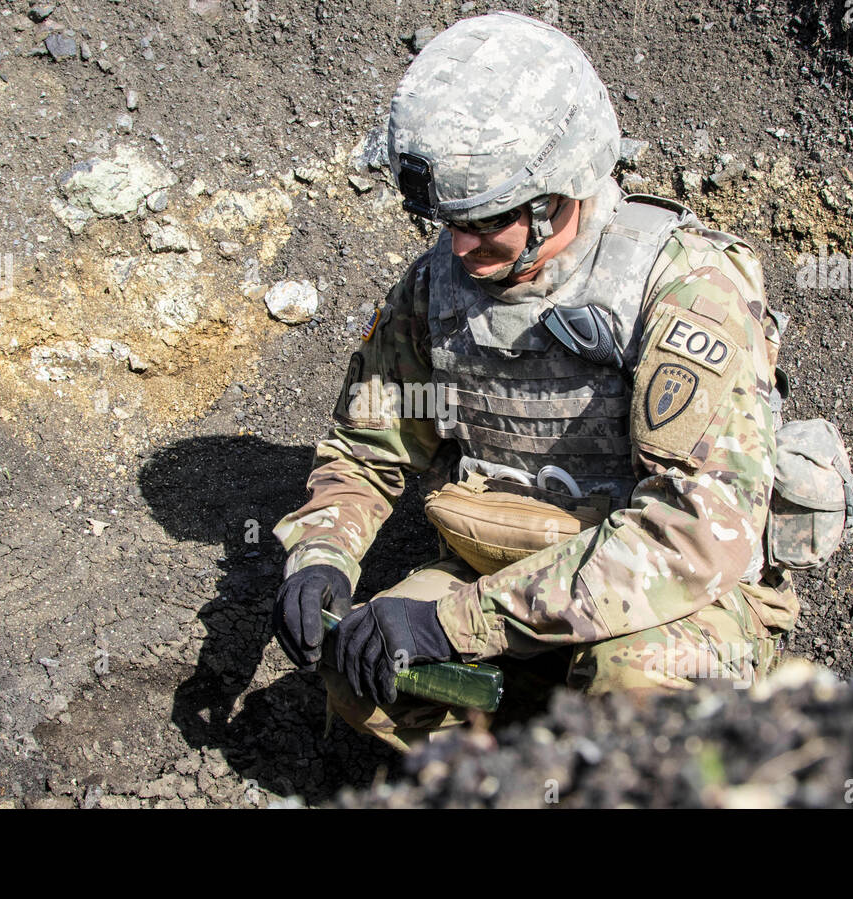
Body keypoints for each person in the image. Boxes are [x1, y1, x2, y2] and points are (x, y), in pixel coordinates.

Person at [271, 11, 799, 752]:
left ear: (559, 191)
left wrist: (455, 622)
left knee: (642, 704)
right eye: (446, 220)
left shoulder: (683, 287)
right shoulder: (439, 287)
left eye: (485, 220)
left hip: (663, 595)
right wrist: (321, 554)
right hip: (505, 567)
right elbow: (370, 447)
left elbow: (693, 535)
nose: (460, 245)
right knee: (361, 672)